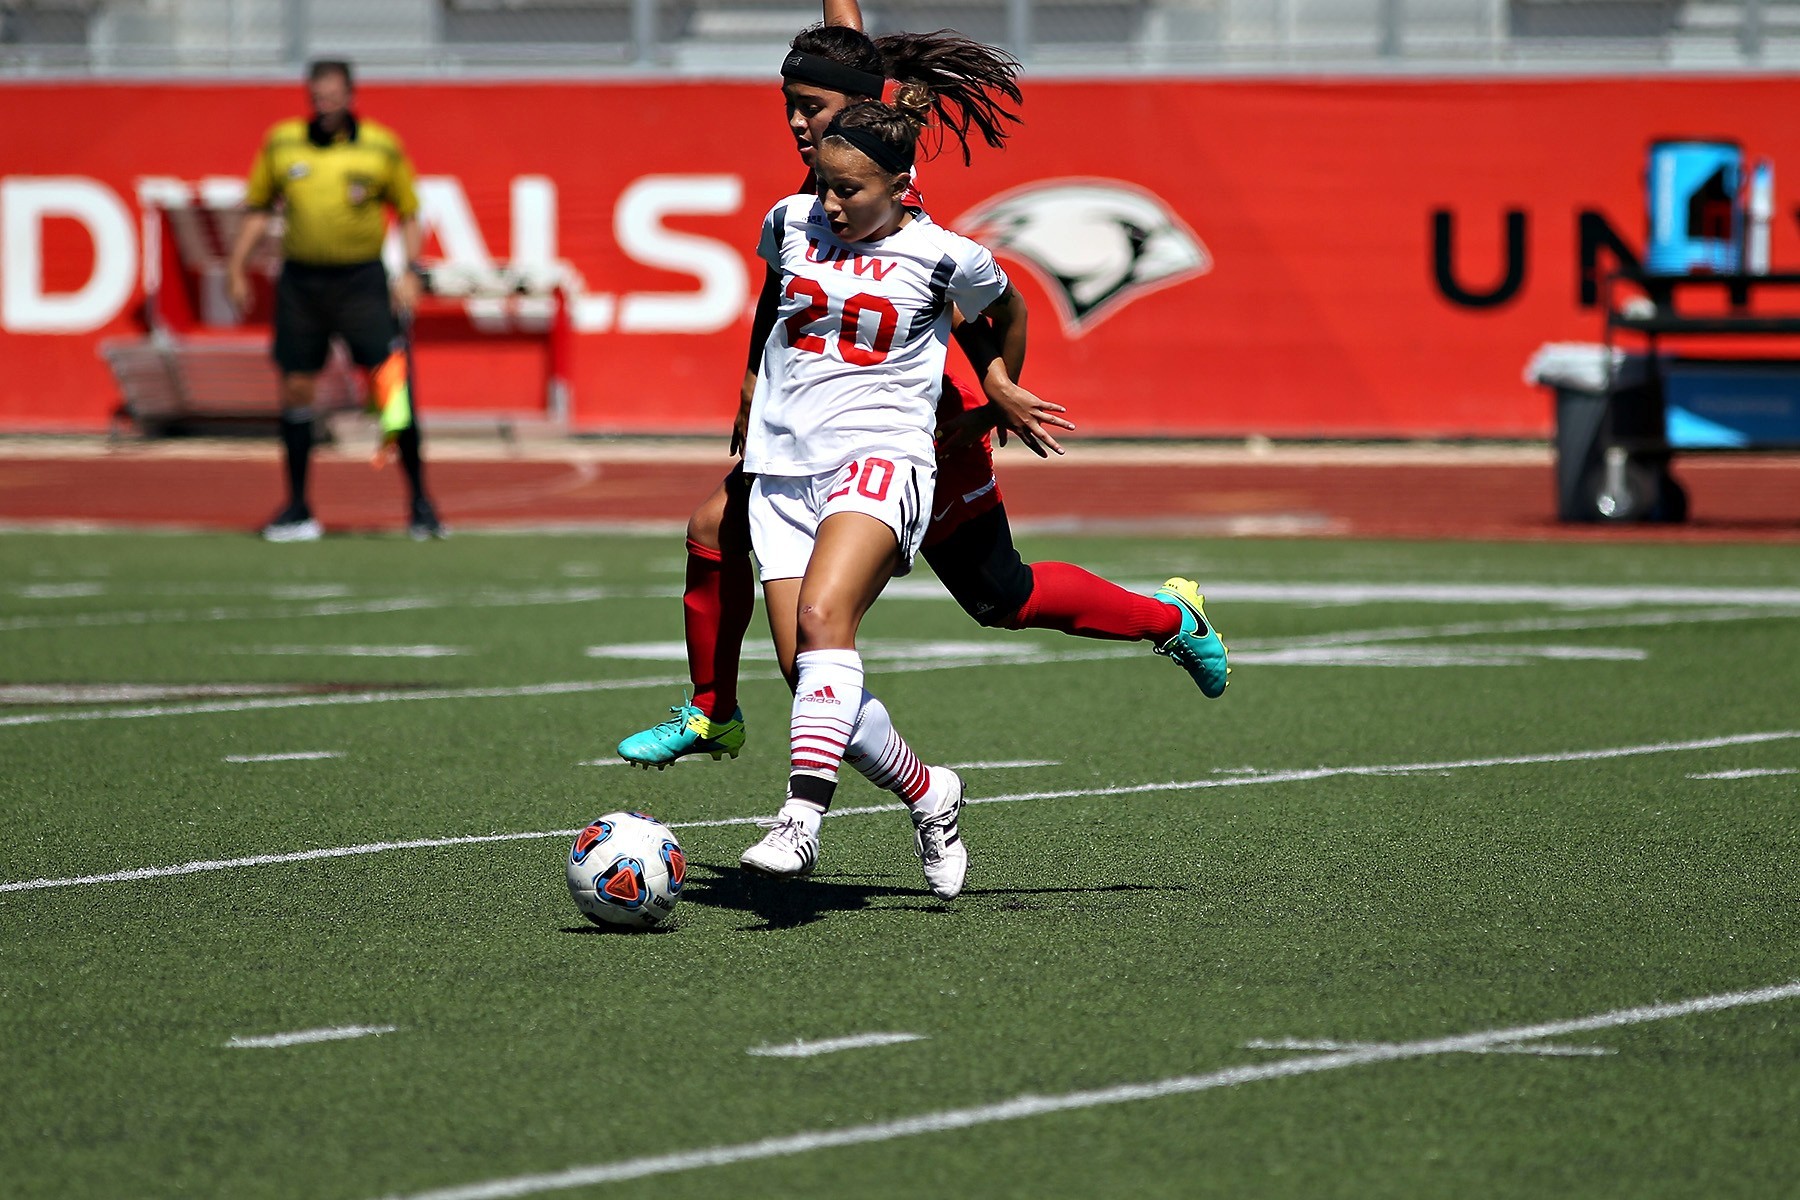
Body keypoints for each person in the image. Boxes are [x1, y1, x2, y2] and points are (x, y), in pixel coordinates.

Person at [618, 19, 1227, 770]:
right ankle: (715, 712)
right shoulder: (816, 193)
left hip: (908, 431)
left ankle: (1172, 618)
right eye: (789, 104)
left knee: (1000, 596)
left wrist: (998, 379)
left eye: (809, 105)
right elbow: (786, 283)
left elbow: (949, 294)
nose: (796, 122)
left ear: (858, 108)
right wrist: (753, 375)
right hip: (817, 435)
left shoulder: (881, 190)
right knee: (715, 528)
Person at [736, 93, 1026, 899]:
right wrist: (751, 382)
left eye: (849, 191)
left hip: (884, 459)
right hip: (784, 468)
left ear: (901, 186)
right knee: (810, 673)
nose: (830, 203)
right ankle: (931, 792)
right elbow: (772, 306)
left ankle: (800, 819)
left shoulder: (946, 257)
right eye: (824, 184)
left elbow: (1009, 311)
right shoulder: (789, 222)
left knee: (828, 620)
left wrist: (1000, 384)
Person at [225, 58, 444, 543]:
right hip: (302, 283)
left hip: (361, 282)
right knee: (297, 388)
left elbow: (408, 213)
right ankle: (299, 507)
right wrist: (237, 265)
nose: (324, 106)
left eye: (332, 97)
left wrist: (409, 271)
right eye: (316, 97)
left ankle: (421, 505)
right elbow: (259, 208)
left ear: (350, 96)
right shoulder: (283, 141)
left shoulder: (380, 147)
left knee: (391, 384)